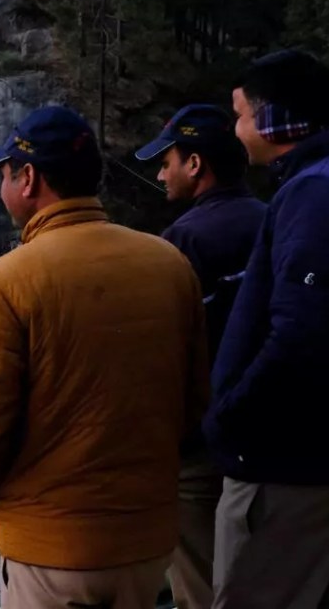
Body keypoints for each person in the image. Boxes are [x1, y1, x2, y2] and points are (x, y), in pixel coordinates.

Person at [0, 106, 210, 609]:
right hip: (146, 541)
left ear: (28, 179)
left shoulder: (4, 281)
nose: (2, 187)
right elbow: (194, 401)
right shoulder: (168, 263)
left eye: (4, 175)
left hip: (52, 548)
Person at [206, 49, 329, 609]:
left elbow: (301, 336)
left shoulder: (322, 193)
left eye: (241, 114)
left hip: (291, 465)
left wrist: (230, 415)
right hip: (322, 450)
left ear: (274, 119)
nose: (237, 130)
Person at [134, 104, 267, 609]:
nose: (160, 172)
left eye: (167, 160)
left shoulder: (186, 239)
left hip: (199, 442)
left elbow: (162, 347)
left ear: (195, 164)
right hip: (264, 431)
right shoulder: (271, 221)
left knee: (200, 579)